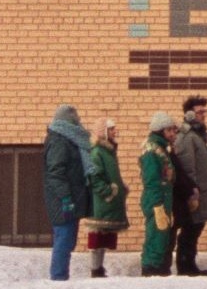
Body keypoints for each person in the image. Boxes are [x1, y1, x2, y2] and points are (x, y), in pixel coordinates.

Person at [169, 95, 207, 276]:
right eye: (199, 112)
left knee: (195, 227)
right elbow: (187, 168)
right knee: (190, 229)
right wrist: (192, 194)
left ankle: (190, 265)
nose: (203, 115)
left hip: (200, 193)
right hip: (194, 194)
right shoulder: (187, 137)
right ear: (189, 114)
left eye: (205, 111)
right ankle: (185, 266)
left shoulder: (198, 135)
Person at [43, 104, 94, 281]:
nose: (79, 120)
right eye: (76, 117)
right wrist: (65, 197)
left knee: (68, 240)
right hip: (63, 201)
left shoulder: (69, 139)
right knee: (64, 239)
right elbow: (55, 173)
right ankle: (58, 278)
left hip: (72, 198)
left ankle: (61, 276)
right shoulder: (59, 141)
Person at [85, 118, 130, 279]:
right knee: (97, 235)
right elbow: (94, 177)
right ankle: (95, 268)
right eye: (111, 129)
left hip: (107, 202)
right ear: (103, 132)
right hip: (101, 201)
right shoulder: (97, 152)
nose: (114, 132)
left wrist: (121, 188)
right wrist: (108, 192)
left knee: (104, 235)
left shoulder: (108, 151)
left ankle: (99, 268)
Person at [139, 112, 178, 277]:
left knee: (162, 238)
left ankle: (159, 270)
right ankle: (150, 271)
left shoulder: (162, 148)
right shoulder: (151, 150)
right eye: (169, 130)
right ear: (160, 130)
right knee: (155, 238)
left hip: (163, 199)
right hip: (157, 201)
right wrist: (157, 205)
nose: (172, 133)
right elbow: (152, 180)